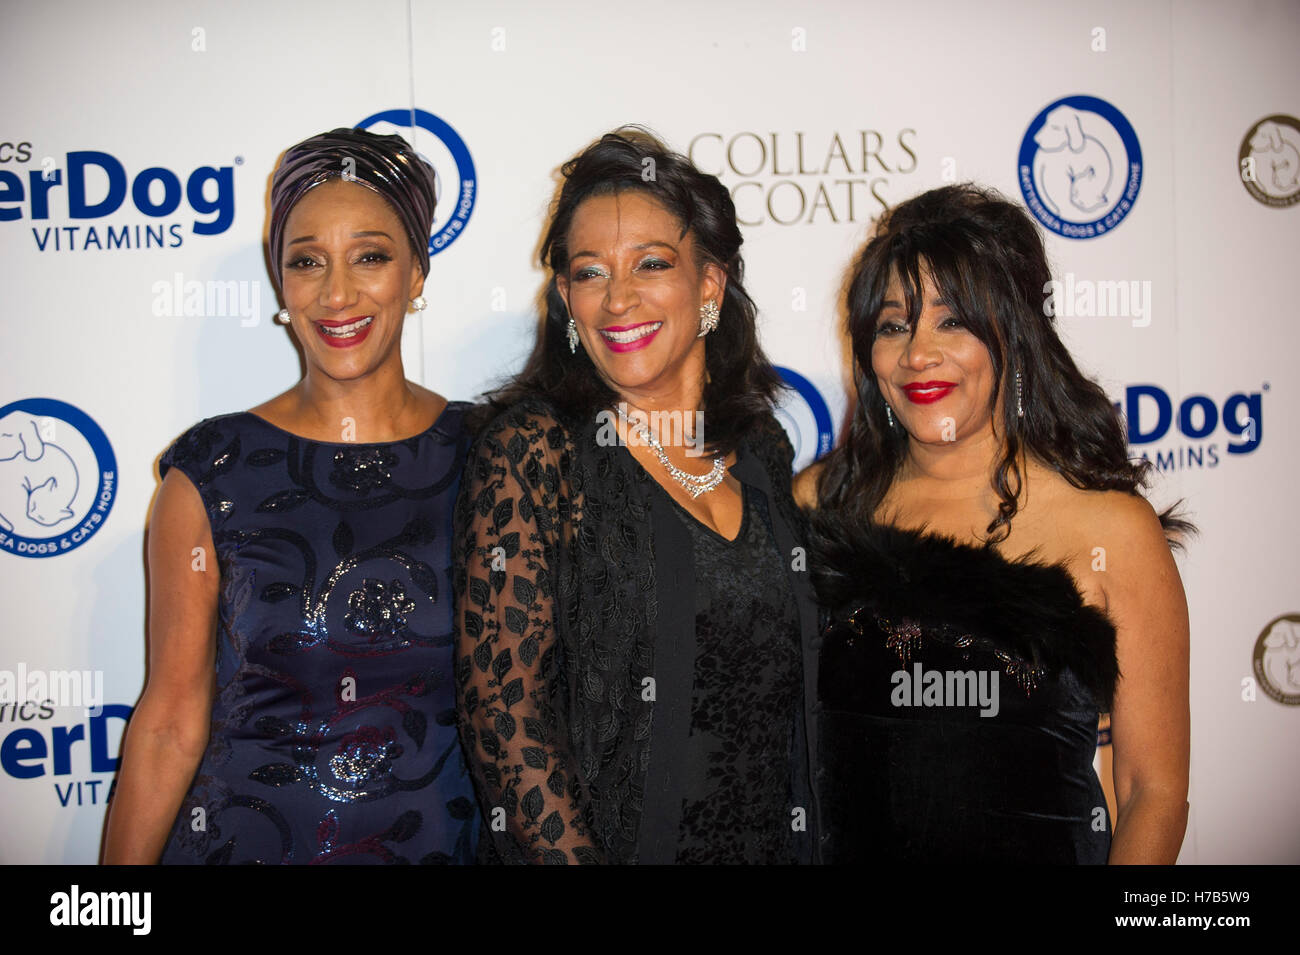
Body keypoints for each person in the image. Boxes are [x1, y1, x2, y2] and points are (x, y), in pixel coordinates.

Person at [103, 127, 479, 864]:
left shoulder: (493, 456)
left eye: (370, 256)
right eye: (306, 261)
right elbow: (170, 722)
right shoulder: (213, 471)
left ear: (417, 273)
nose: (337, 293)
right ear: (281, 282)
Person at [453, 128, 822, 864]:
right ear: (565, 298)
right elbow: (505, 713)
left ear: (710, 285)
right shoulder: (536, 453)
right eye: (590, 273)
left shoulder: (764, 454)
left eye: (651, 264)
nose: (619, 298)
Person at [795, 184, 1191, 864]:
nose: (918, 353)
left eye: (952, 321)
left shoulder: (1112, 530)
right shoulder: (817, 504)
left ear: (1014, 329)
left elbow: (1152, 789)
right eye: (893, 325)